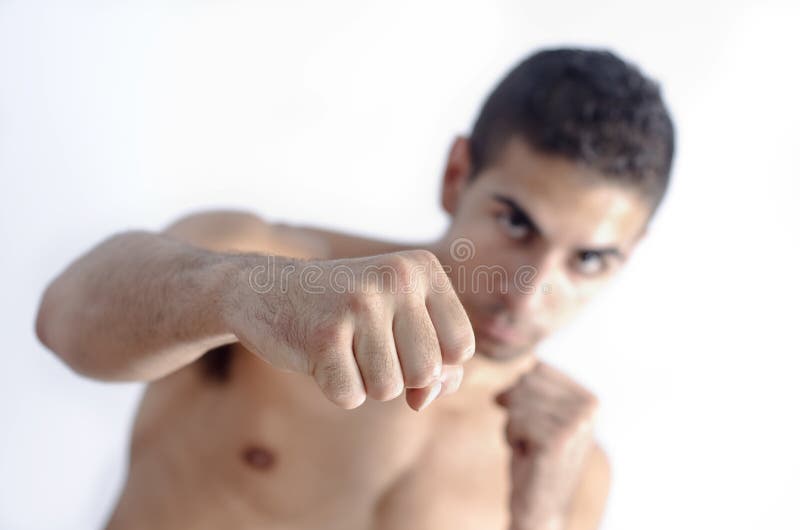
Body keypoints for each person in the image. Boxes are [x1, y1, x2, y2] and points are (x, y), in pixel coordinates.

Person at [35, 47, 675, 530]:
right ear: (457, 177)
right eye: (515, 224)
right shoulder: (274, 268)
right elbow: (63, 318)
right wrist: (241, 293)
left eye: (589, 259)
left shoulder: (569, 467)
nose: (529, 293)